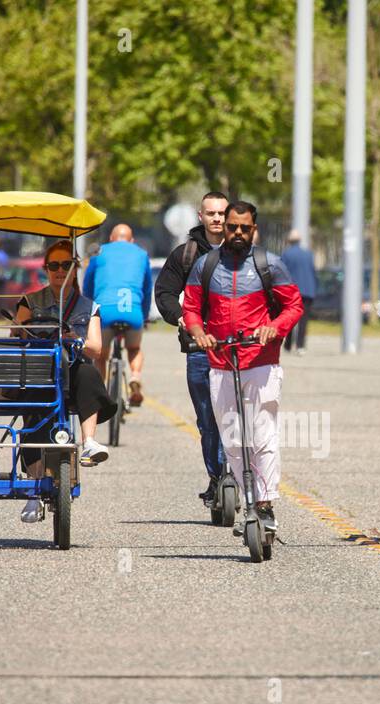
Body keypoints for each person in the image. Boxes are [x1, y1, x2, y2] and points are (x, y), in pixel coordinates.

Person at [182, 200, 303, 535]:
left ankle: (264, 506)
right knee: (232, 438)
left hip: (261, 363)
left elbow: (293, 306)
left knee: (263, 434)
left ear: (254, 229)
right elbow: (191, 307)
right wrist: (199, 333)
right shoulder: (206, 265)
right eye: (232, 226)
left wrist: (274, 328)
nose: (237, 232)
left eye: (244, 228)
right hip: (221, 362)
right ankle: (247, 498)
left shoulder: (270, 264)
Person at [13, 238, 116, 522]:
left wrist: (76, 340)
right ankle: (34, 493)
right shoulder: (30, 301)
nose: (60, 271)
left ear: (75, 268)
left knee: (89, 371)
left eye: (66, 265)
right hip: (37, 373)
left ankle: (90, 442)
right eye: (54, 265)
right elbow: (15, 337)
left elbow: (97, 348)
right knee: (33, 424)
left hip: (72, 374)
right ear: (46, 269)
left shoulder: (88, 305)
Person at [155, 191, 230, 508]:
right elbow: (165, 293)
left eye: (222, 213)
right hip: (199, 349)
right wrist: (182, 318)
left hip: (234, 348)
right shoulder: (185, 255)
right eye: (211, 213)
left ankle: (233, 475)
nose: (217, 219)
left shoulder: (242, 252)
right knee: (206, 420)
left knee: (234, 415)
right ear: (201, 216)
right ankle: (217, 477)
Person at [81, 223, 153, 406]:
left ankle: (101, 391)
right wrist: (143, 316)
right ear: (132, 241)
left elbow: (88, 286)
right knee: (134, 348)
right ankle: (135, 376)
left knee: (100, 354)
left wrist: (86, 314)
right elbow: (146, 288)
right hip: (133, 311)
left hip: (104, 311)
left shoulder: (99, 253)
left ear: (111, 239)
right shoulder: (142, 254)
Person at [281, 229, 317, 355]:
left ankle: (288, 345)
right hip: (307, 290)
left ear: (289, 241)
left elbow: (282, 273)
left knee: (291, 318)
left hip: (292, 291)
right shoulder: (308, 254)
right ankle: (301, 346)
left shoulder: (286, 254)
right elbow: (313, 272)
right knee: (304, 320)